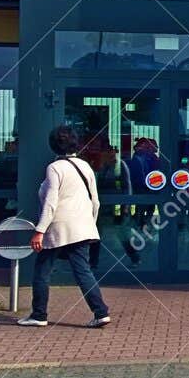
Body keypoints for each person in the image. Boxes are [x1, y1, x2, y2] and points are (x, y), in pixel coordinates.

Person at [19, 125, 111, 329]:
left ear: (53, 145)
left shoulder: (54, 168)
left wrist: (40, 231)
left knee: (42, 271)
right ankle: (100, 311)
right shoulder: (85, 166)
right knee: (83, 272)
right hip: (82, 227)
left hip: (58, 229)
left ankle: (39, 314)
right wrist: (89, 223)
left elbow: (51, 202)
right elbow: (95, 201)